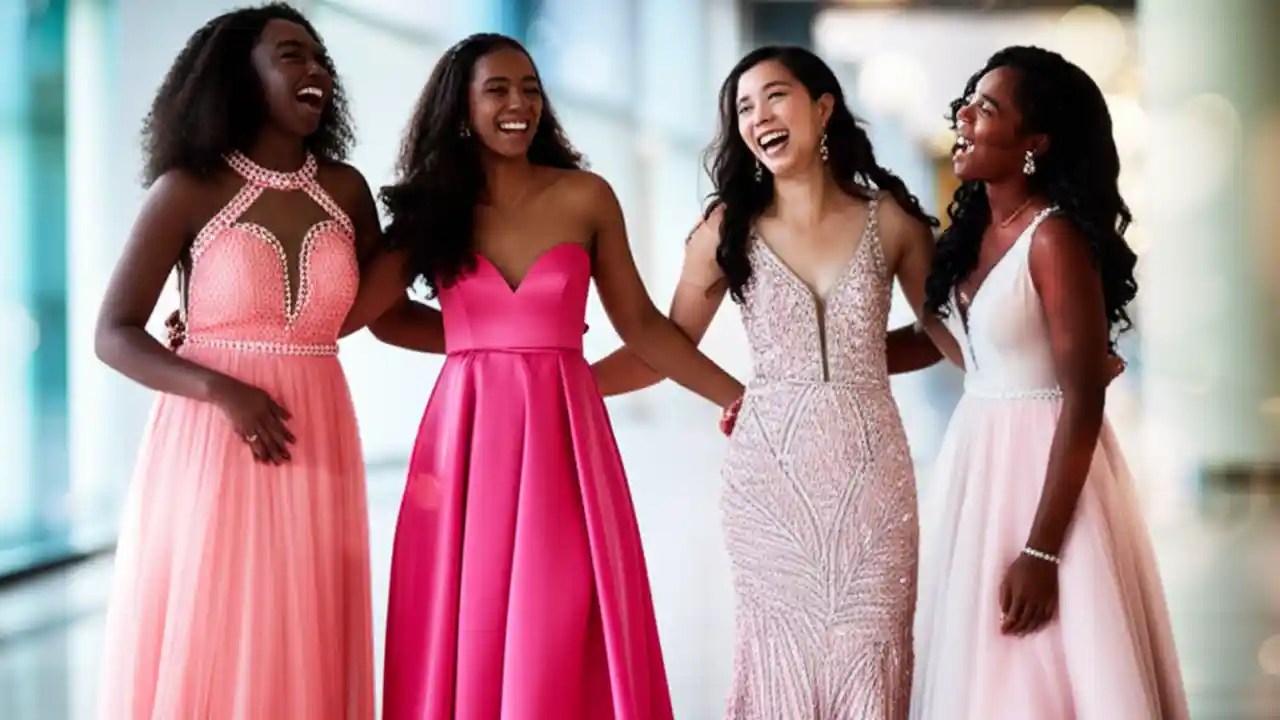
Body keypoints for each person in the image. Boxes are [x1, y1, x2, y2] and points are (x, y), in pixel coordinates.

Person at [339, 33, 742, 720]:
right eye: (498, 89)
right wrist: (481, 343)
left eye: (529, 88)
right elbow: (368, 316)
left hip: (566, 433)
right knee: (472, 607)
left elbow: (643, 326)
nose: (519, 103)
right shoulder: (434, 207)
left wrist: (736, 395)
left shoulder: (586, 196)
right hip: (466, 435)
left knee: (561, 604)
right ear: (462, 108)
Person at [592, 46, 945, 719]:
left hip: (873, 477)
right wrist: (563, 382)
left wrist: (853, 362)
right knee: (778, 656)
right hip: (768, 478)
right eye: (743, 108)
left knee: (872, 647)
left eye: (775, 96)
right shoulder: (726, 229)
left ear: (822, 108)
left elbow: (939, 334)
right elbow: (659, 346)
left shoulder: (891, 219)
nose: (759, 117)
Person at [94, 4, 377, 718]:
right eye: (291, 55)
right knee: (220, 619)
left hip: (318, 429)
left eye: (319, 58)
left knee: (304, 616)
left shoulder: (346, 191)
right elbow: (115, 332)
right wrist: (220, 389)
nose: (315, 69)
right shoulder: (187, 188)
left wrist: (517, 338)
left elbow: (385, 309)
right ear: (240, 76)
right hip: (213, 442)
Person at [909, 46, 1188, 720]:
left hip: (1046, 475)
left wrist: (1040, 549)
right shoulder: (975, 229)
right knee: (981, 670)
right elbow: (954, 347)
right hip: (977, 464)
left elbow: (1084, 401)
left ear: (1034, 143)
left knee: (1045, 665)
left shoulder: (1053, 239)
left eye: (987, 108)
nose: (964, 117)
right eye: (968, 102)